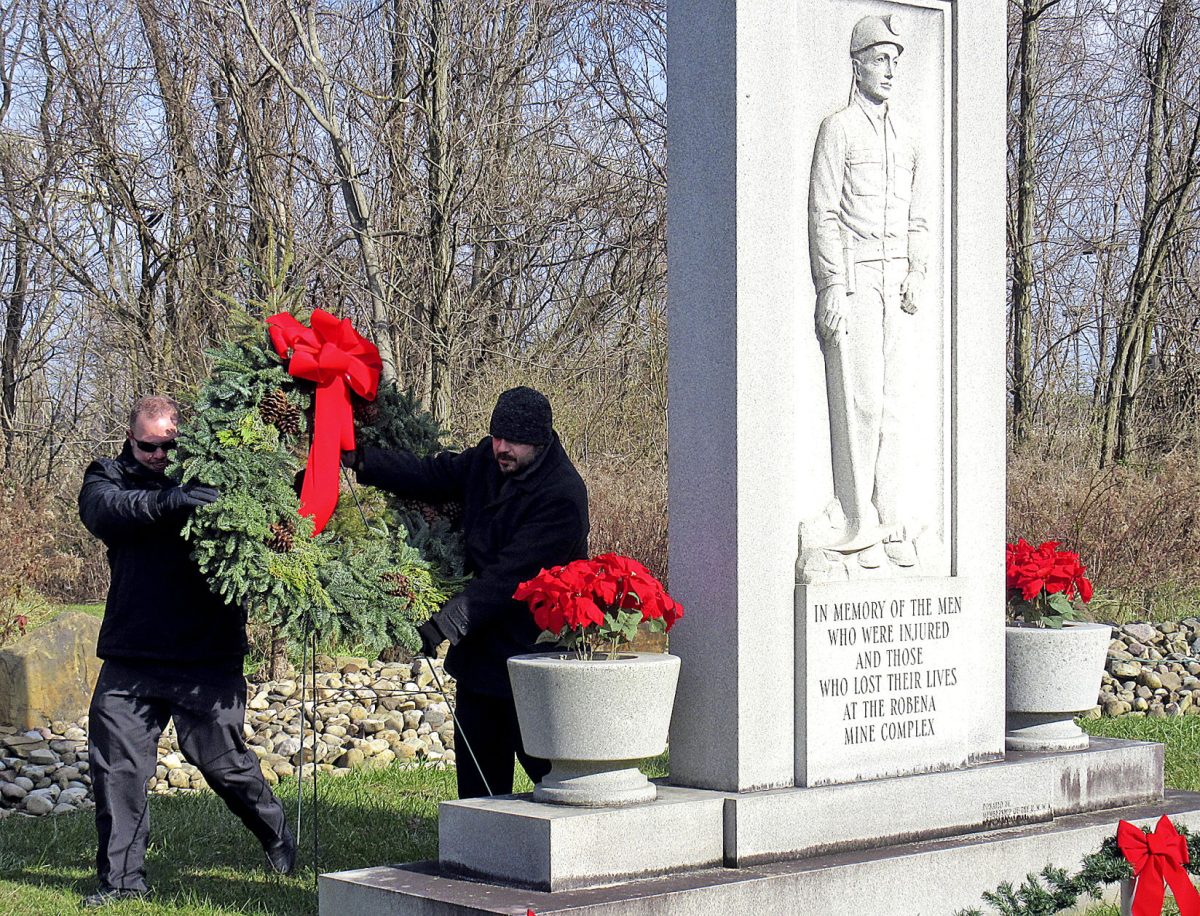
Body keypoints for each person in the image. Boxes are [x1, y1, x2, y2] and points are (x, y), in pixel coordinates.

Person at [78, 396, 295, 909]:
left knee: (223, 764)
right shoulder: (108, 477)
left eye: (167, 445)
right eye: (148, 446)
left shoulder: (219, 473)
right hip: (133, 656)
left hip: (207, 655)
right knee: (117, 770)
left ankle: (275, 830)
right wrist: (170, 501)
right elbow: (104, 511)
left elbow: (275, 514)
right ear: (131, 440)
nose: (158, 455)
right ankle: (122, 882)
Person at [344, 386, 589, 798]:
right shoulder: (486, 460)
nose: (501, 448)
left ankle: (580, 851)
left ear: (539, 441)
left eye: (513, 440)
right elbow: (431, 475)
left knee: (555, 784)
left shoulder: (561, 496)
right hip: (481, 663)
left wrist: (444, 624)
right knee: (478, 791)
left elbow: (508, 579)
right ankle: (478, 855)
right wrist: (362, 460)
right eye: (496, 436)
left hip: (532, 659)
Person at [808, 14, 930, 571]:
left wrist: (918, 270)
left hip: (895, 286)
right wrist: (831, 283)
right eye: (879, 59)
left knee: (894, 409)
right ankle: (859, 521)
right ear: (856, 66)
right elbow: (823, 212)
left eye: (895, 60)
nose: (889, 69)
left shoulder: (907, 138)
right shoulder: (839, 129)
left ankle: (892, 516)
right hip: (854, 281)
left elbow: (919, 217)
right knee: (858, 405)